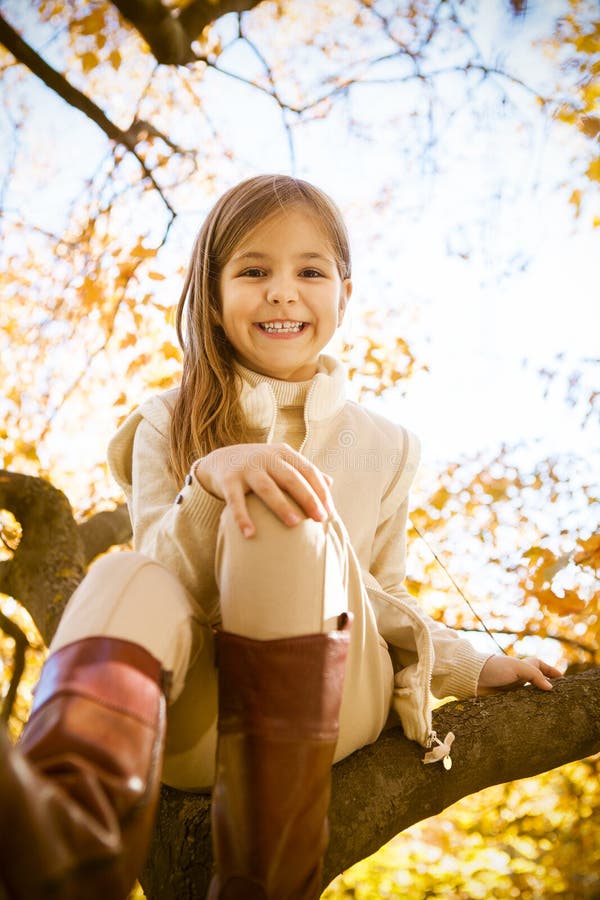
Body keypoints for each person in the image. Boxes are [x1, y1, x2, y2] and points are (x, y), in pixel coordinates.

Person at [0, 175, 562, 900]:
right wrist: (208, 478)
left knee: (282, 506)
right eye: (254, 271)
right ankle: (65, 840)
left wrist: (475, 664)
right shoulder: (164, 420)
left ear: (344, 295)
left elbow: (385, 595)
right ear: (212, 296)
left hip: (327, 709)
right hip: (191, 721)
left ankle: (264, 883)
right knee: (118, 575)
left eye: (309, 271)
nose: (282, 291)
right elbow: (161, 583)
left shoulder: (386, 446)